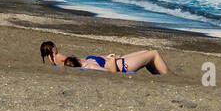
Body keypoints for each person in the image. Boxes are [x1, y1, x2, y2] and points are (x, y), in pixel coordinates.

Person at [40, 40, 168, 74]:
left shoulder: (54, 61)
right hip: (122, 65)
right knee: (154, 53)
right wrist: (112, 60)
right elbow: (112, 72)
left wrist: (108, 57)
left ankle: (157, 74)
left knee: (147, 52)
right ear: (52, 48)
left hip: (118, 61)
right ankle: (165, 76)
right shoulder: (60, 57)